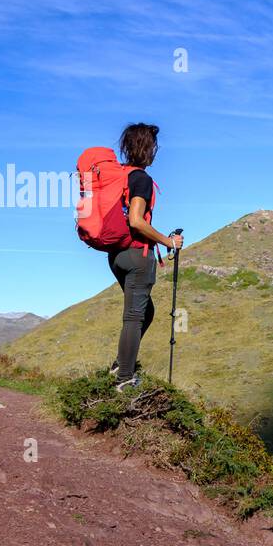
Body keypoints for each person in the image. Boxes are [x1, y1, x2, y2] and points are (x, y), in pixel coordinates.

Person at [108, 123, 183, 391]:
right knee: (134, 317)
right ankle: (124, 379)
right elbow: (137, 222)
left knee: (145, 311)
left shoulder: (118, 176)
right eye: (154, 146)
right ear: (147, 148)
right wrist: (168, 241)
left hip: (116, 255)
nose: (156, 151)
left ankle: (120, 364)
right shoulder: (141, 179)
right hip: (137, 254)